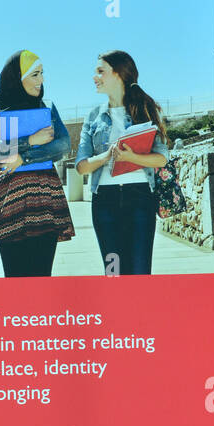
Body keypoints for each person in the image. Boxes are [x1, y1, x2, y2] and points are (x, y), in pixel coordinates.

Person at [0, 50, 73, 277]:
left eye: (42, 74)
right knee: (14, 279)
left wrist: (24, 157)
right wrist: (31, 140)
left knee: (42, 277)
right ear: (16, 76)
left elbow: (63, 145)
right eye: (34, 74)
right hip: (8, 201)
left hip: (45, 200)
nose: (40, 80)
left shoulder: (47, 106)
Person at [75, 51, 169, 276]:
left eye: (100, 71)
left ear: (118, 73)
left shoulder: (146, 109)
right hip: (104, 202)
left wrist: (130, 158)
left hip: (140, 199)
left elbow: (162, 157)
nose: (94, 76)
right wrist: (107, 156)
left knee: (139, 273)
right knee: (113, 274)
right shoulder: (93, 116)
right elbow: (81, 166)